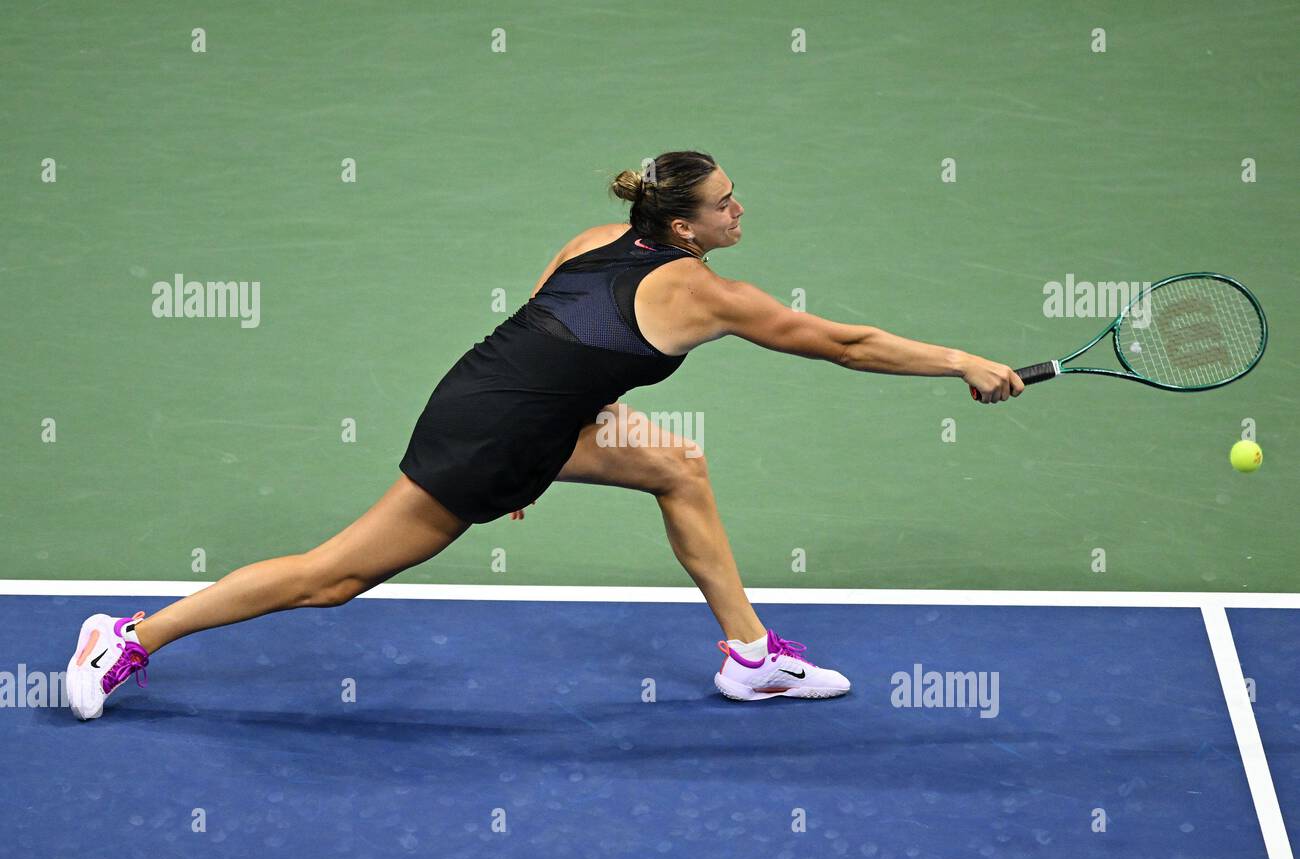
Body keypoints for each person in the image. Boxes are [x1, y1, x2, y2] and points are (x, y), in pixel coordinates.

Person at [67, 150, 1024, 720]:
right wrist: (961, 360)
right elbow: (844, 344)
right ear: (684, 227)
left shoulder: (590, 238)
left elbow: (551, 339)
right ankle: (129, 637)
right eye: (724, 201)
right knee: (334, 577)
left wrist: (557, 441)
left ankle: (750, 658)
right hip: (492, 436)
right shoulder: (704, 294)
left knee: (678, 466)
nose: (740, 208)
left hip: (502, 406)